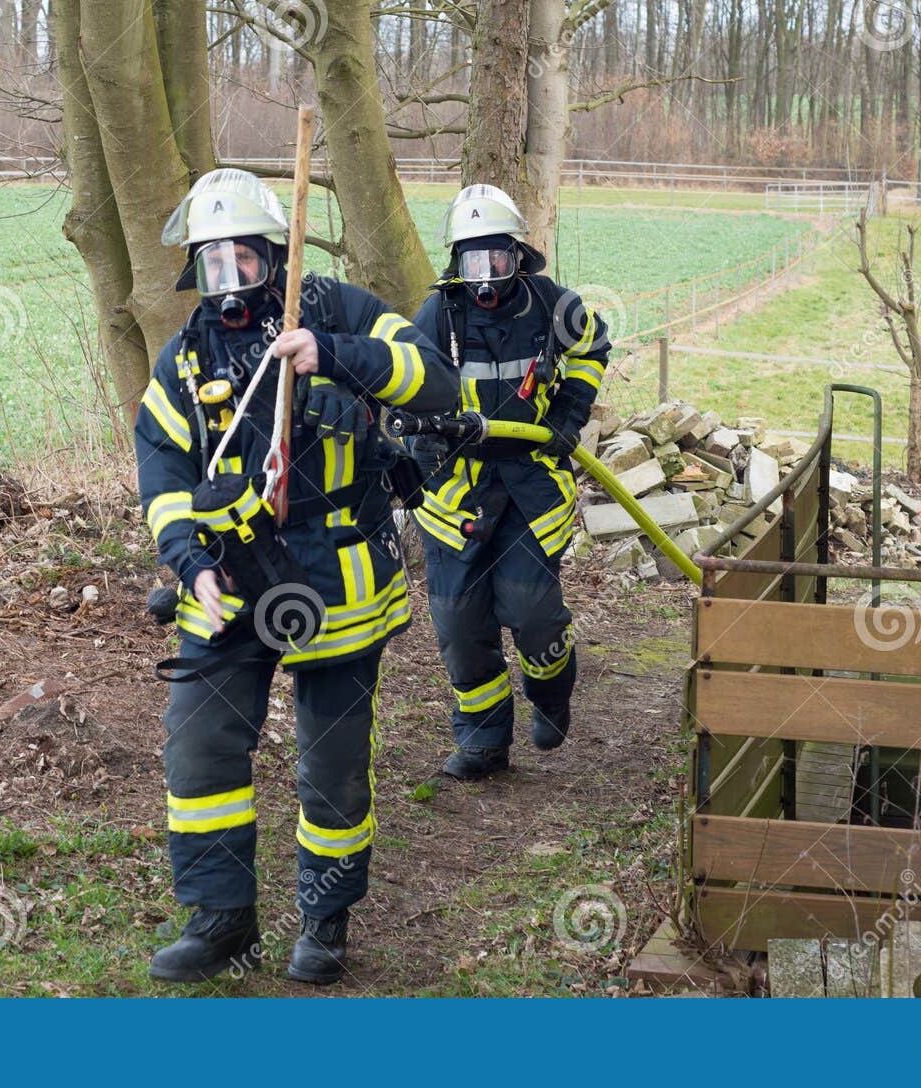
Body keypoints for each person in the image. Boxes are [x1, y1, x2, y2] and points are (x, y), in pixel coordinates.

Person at [136, 168, 457, 984]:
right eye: (211, 262)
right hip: (228, 579)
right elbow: (164, 476)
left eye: (242, 258)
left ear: (274, 256)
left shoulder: (339, 309)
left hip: (335, 577)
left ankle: (325, 917)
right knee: (199, 746)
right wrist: (189, 566)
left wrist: (336, 355)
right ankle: (219, 919)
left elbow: (436, 379)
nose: (227, 279)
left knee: (332, 761)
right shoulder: (184, 361)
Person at [408, 184, 610, 780]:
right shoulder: (439, 314)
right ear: (457, 262)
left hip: (530, 481)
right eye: (473, 261)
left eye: (496, 257)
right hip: (456, 492)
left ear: (518, 256)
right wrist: (421, 439)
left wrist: (568, 414)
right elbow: (403, 376)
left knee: (529, 608)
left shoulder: (552, 305)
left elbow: (593, 345)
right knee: (459, 623)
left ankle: (551, 695)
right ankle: (483, 741)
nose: (485, 274)